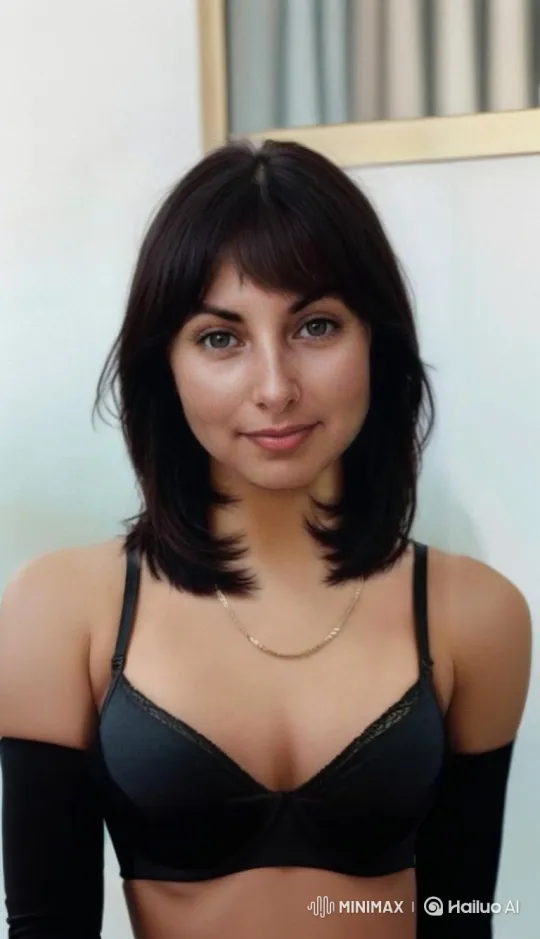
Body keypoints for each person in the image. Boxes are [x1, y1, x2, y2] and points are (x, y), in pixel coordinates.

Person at [0, 139, 532, 939]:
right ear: (166, 365)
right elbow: (47, 927)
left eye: (316, 326)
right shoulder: (62, 608)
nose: (276, 387)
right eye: (221, 338)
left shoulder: (476, 613)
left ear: (375, 342)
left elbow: (463, 917)